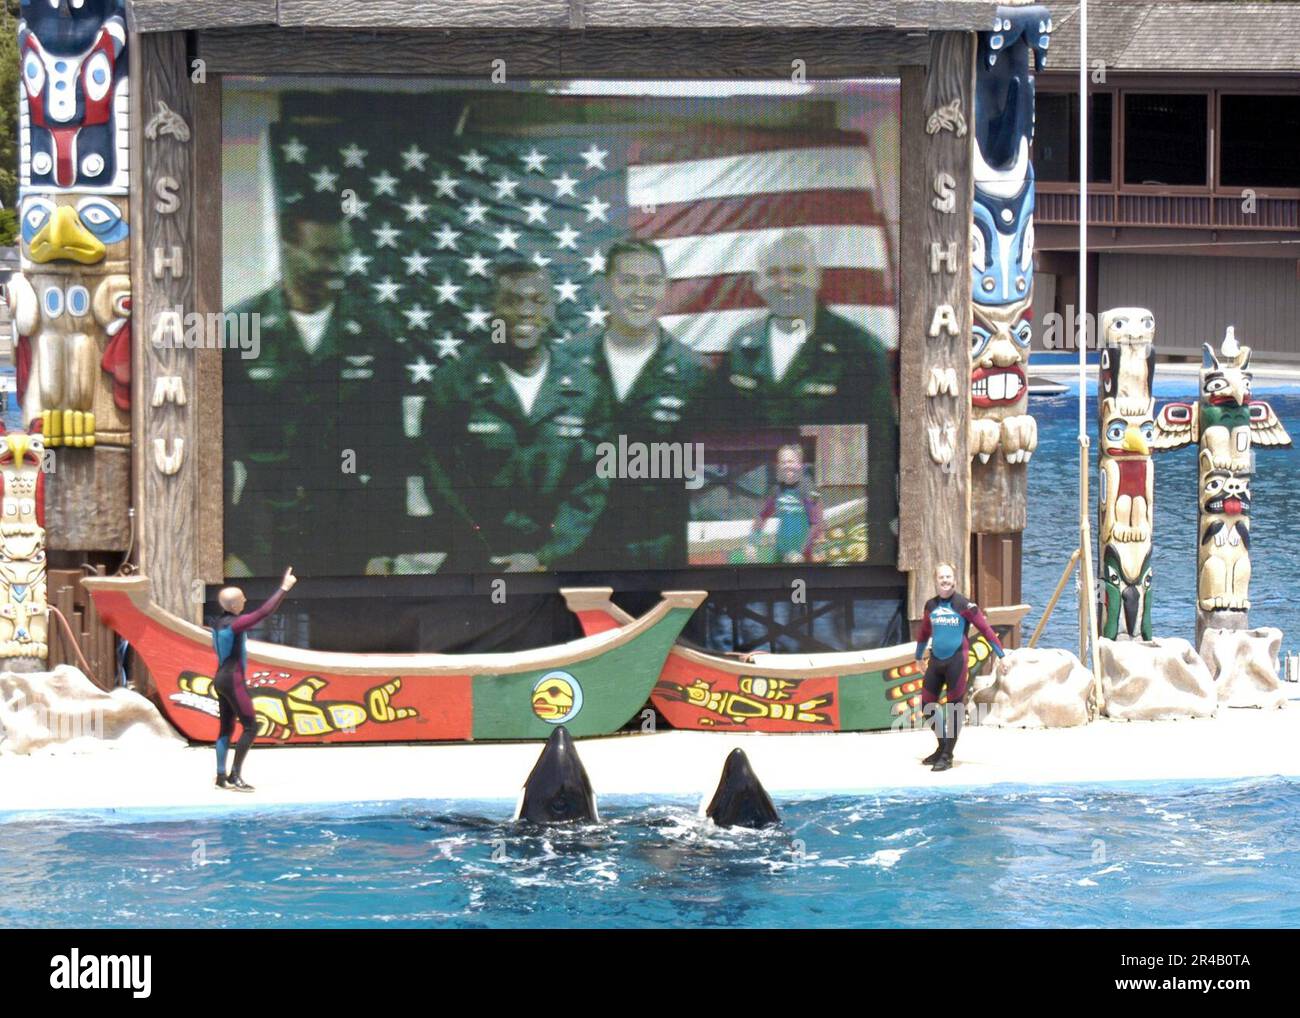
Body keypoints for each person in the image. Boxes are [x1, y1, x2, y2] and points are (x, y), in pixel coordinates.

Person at [223, 191, 410, 579]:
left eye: (344, 253)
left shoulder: (377, 331)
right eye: (324, 254)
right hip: (260, 532)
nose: (338, 266)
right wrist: (223, 546)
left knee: (343, 634)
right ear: (288, 247)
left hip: (349, 531)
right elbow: (216, 455)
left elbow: (389, 452)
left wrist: (385, 549)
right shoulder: (239, 328)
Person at [710, 230, 898, 560]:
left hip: (835, 519)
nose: (784, 284)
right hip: (757, 513)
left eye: (796, 271)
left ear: (817, 276)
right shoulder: (742, 346)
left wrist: (879, 537)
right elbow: (719, 442)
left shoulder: (858, 350)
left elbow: (881, 452)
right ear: (757, 283)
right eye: (773, 273)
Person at [415, 261, 608, 573]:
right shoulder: (455, 383)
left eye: (538, 301)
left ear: (552, 313)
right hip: (476, 563)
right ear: (494, 311)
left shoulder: (587, 388)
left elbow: (591, 486)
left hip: (557, 567)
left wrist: (544, 556)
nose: (526, 312)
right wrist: (487, 554)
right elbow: (440, 479)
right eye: (513, 301)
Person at [575, 239, 707, 569]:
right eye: (628, 281)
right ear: (605, 288)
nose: (641, 293)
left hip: (659, 555)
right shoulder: (567, 365)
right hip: (576, 550)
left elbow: (708, 476)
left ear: (665, 289)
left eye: (652, 282)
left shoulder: (694, 373)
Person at [912, 563, 1006, 772]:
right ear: (935, 580)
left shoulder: (965, 605)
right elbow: (924, 633)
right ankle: (942, 745)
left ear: (954, 580)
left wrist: (1001, 656)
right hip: (936, 661)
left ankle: (947, 756)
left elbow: (986, 630)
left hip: (957, 661)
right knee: (927, 705)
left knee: (954, 709)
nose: (945, 581)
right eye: (941, 577)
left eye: (948, 577)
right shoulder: (930, 606)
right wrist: (919, 657)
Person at [211, 566, 298, 791]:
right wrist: (284, 588)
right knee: (252, 726)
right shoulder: (236, 624)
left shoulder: (218, 622)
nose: (245, 600)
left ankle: (221, 776)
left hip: (220, 678)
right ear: (233, 605)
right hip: (233, 680)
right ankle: (235, 776)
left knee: (226, 729)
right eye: (242, 599)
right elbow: (263, 613)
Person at [748, 444, 825, 563]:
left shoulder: (809, 489)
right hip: (779, 554)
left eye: (790, 461)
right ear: (779, 466)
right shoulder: (776, 490)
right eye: (783, 463)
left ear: (799, 464)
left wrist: (800, 552)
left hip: (803, 556)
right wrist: (752, 542)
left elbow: (816, 524)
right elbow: (762, 516)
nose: (787, 466)